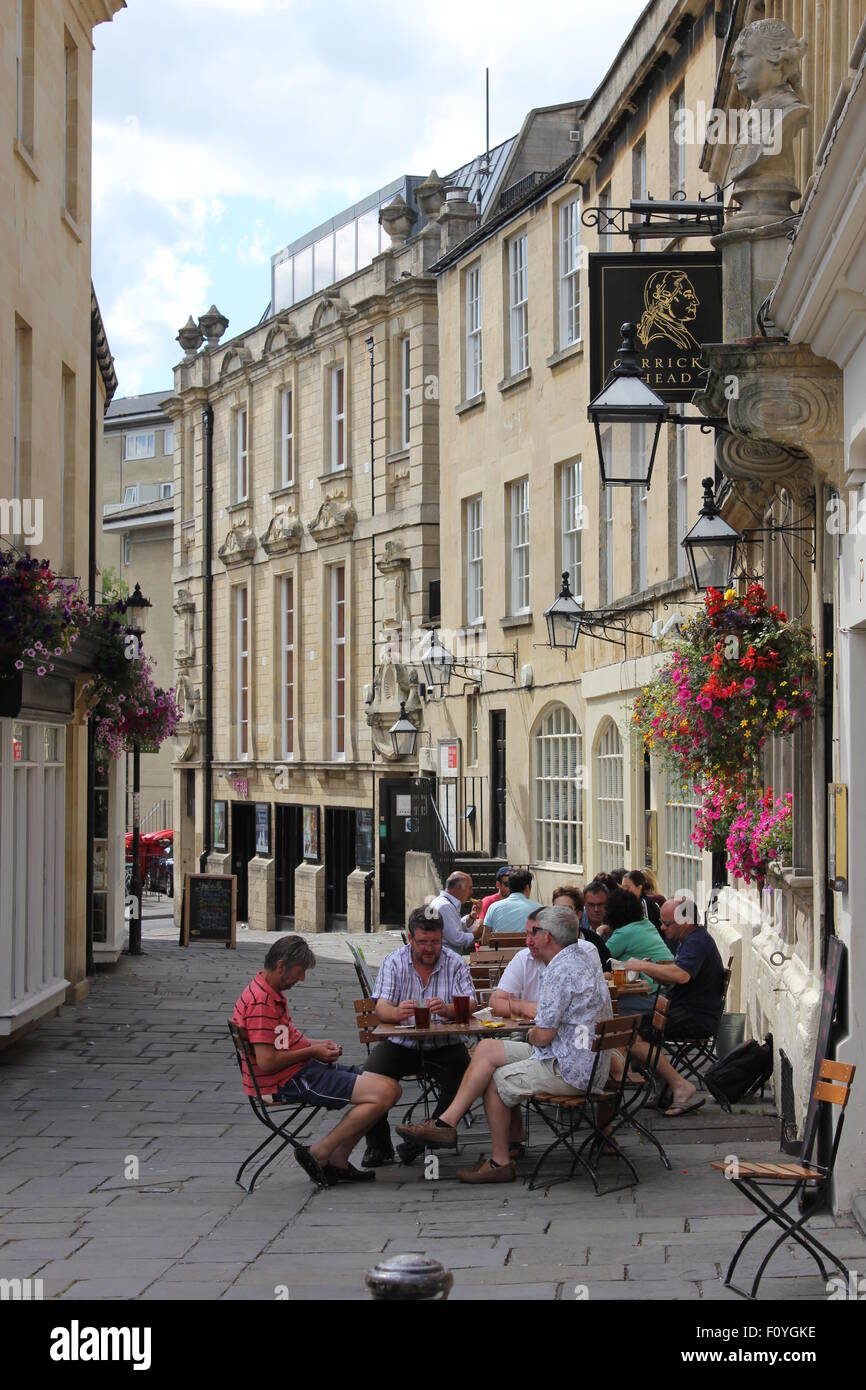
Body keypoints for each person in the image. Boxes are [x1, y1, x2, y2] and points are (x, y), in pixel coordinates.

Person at [398, 905, 613, 1182]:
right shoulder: (582, 957)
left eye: (533, 932)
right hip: (581, 1059)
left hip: (571, 1070)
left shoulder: (560, 971)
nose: (529, 939)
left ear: (547, 935)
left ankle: (501, 1161)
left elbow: (543, 1035)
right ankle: (446, 1123)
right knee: (487, 1049)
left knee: (496, 1079)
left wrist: (532, 1034)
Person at [232, 935, 401, 1188]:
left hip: (298, 1072)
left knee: (390, 1087)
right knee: (384, 1093)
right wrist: (312, 1053)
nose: (301, 979)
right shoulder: (262, 1003)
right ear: (281, 966)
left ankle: (338, 1159)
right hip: (287, 1081)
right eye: (299, 973)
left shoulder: (263, 991)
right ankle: (321, 1152)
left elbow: (281, 1043)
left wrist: (316, 1045)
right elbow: (267, 1061)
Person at [360, 907, 476, 1168]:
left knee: (466, 1080)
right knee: (367, 1079)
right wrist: (396, 1012)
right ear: (410, 938)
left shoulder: (454, 962)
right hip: (404, 1043)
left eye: (435, 942)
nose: (429, 948)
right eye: (422, 942)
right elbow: (381, 1008)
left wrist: (447, 1009)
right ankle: (378, 1147)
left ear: (442, 938)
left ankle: (419, 1141)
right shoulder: (394, 961)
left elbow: (471, 1004)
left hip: (445, 1044)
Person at [616, 895, 727, 1116]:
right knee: (629, 1026)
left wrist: (641, 966)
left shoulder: (697, 941)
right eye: (661, 922)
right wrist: (656, 972)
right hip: (687, 1010)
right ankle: (666, 1085)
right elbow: (680, 977)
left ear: (686, 922)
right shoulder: (691, 939)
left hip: (695, 1017)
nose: (662, 928)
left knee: (630, 1034)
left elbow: (682, 975)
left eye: (667, 924)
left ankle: (679, 1085)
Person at [601, 887, 673, 981]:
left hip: (652, 990)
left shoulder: (624, 933)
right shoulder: (646, 923)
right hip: (670, 981)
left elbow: (598, 957)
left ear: (612, 914)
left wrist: (599, 932)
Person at [551, 886, 611, 969]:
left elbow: (608, 971)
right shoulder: (545, 941)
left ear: (578, 914)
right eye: (556, 909)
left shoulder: (594, 941)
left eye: (566, 909)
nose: (560, 914)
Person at [428, 871, 482, 954]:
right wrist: (476, 934)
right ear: (459, 887)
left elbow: (455, 927)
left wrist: (471, 916)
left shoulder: (446, 903)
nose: (471, 892)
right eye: (469, 888)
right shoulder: (444, 906)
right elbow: (456, 938)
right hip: (445, 959)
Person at [484, 869, 542, 933]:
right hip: (526, 943)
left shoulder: (494, 907)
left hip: (502, 943)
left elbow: (485, 939)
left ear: (510, 887)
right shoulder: (539, 909)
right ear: (527, 888)